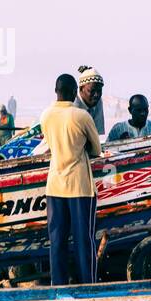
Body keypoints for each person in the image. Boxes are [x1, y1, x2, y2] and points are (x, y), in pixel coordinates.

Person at [41, 73, 102, 285]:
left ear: (56, 91)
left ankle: (58, 288)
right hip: (80, 187)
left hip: (54, 185)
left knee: (57, 242)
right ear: (75, 90)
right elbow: (96, 149)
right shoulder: (81, 116)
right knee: (84, 241)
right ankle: (88, 286)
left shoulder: (46, 116)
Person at [74, 66, 106, 135]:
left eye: (99, 91)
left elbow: (98, 133)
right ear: (81, 89)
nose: (96, 95)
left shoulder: (98, 102)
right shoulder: (73, 104)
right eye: (92, 91)